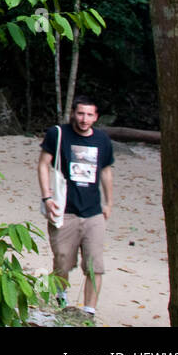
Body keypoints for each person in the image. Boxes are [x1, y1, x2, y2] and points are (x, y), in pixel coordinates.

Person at [37, 96, 114, 316]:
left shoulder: (103, 140)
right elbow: (43, 165)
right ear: (73, 113)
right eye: (80, 113)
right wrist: (46, 197)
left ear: (96, 117)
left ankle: (89, 312)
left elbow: (107, 172)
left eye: (89, 114)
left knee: (94, 265)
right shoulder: (58, 134)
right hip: (64, 210)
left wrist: (109, 202)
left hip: (93, 213)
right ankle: (61, 297)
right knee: (62, 260)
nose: (84, 119)